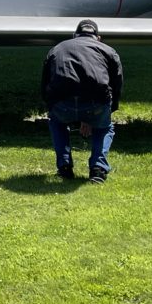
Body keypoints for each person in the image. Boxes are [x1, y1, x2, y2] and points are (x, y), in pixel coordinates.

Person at [40, 19, 123, 184]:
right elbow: (116, 84)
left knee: (57, 123)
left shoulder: (57, 49)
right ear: (98, 37)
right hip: (96, 103)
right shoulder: (108, 51)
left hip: (61, 103)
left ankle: (64, 167)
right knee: (104, 128)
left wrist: (50, 105)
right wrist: (108, 110)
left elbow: (45, 82)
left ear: (74, 35)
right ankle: (98, 169)